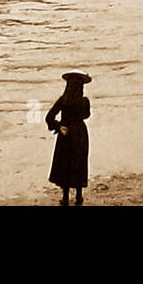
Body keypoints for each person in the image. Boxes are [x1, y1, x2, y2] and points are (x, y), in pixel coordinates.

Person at [45, 71, 92, 206]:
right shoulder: (84, 101)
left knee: (64, 164)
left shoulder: (63, 100)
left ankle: (65, 197)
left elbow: (49, 117)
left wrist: (59, 126)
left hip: (66, 134)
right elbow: (86, 115)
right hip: (80, 134)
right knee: (79, 163)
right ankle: (78, 197)